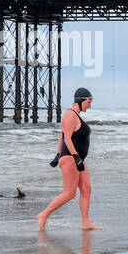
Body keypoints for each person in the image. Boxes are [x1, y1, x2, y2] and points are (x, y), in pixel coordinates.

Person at [37, 87, 99, 230]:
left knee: (86, 189)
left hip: (77, 158)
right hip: (71, 158)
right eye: (89, 101)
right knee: (70, 193)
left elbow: (62, 135)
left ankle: (86, 222)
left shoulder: (75, 115)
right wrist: (75, 157)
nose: (90, 105)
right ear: (81, 100)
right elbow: (68, 139)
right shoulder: (70, 115)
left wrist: (58, 154)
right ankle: (43, 214)